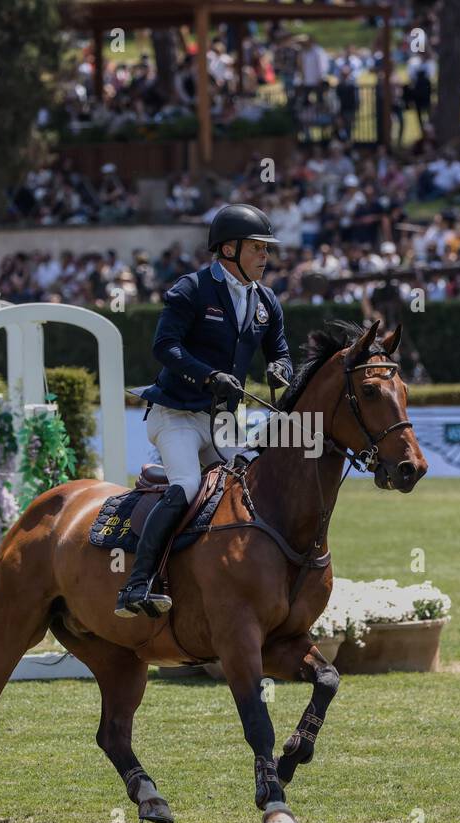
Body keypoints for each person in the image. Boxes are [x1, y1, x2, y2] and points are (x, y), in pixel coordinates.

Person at [117, 203, 293, 619]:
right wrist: (209, 375)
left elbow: (281, 350)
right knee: (186, 487)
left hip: (225, 421)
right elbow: (165, 347)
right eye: (258, 249)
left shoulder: (266, 300)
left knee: (253, 490)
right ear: (229, 249)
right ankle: (136, 584)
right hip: (177, 413)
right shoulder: (192, 289)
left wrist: (280, 368)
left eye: (266, 250)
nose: (265, 257)